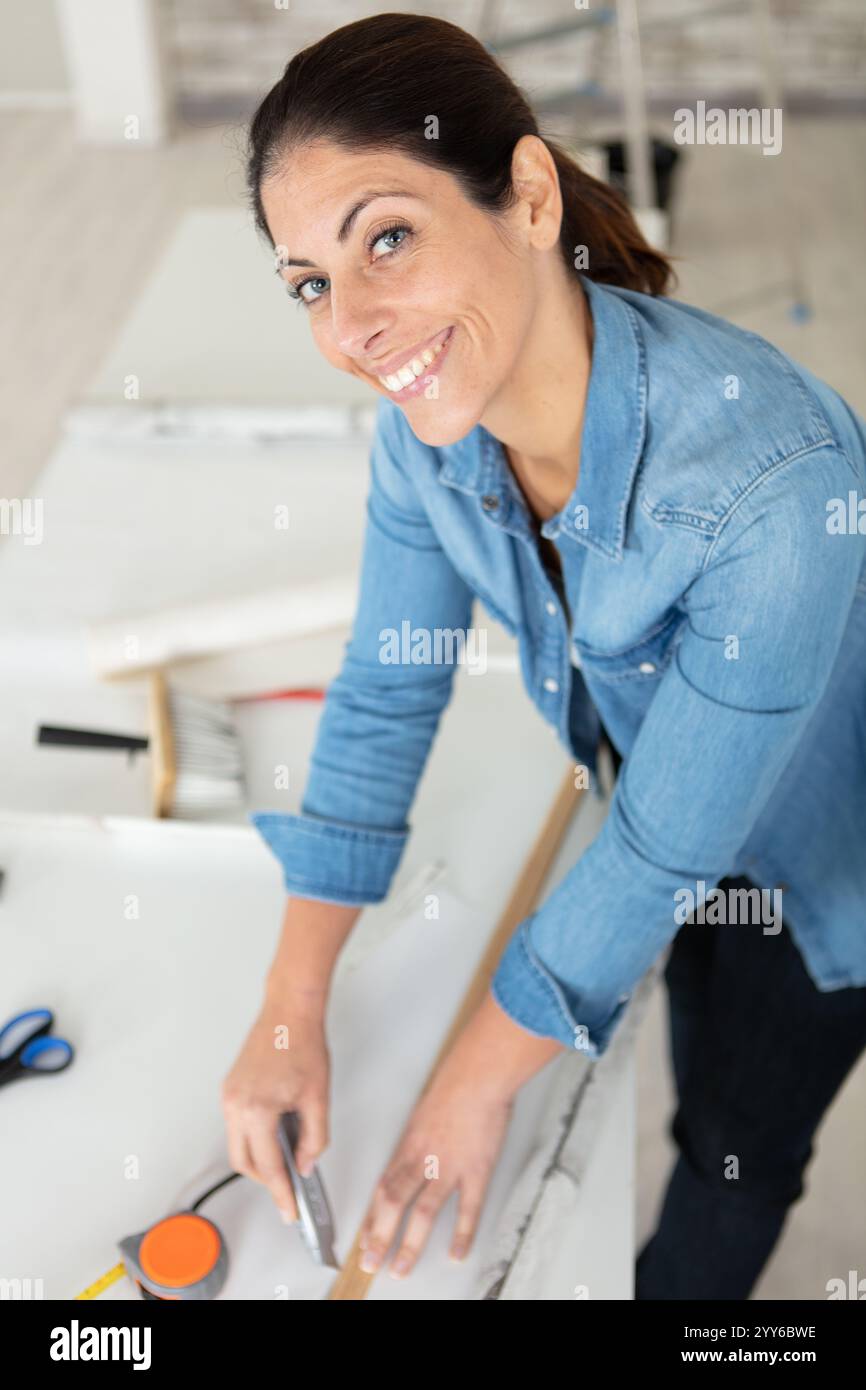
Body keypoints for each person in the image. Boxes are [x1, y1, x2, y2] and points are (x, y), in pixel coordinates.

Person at [221, 13, 866, 1297]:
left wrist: (468, 1085)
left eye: (385, 238)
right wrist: (290, 1010)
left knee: (736, 1135)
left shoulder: (773, 487)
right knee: (678, 1026)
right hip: (676, 808)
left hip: (826, 862)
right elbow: (385, 687)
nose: (349, 324)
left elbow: (657, 856)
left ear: (523, 195)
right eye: (309, 282)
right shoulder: (429, 437)